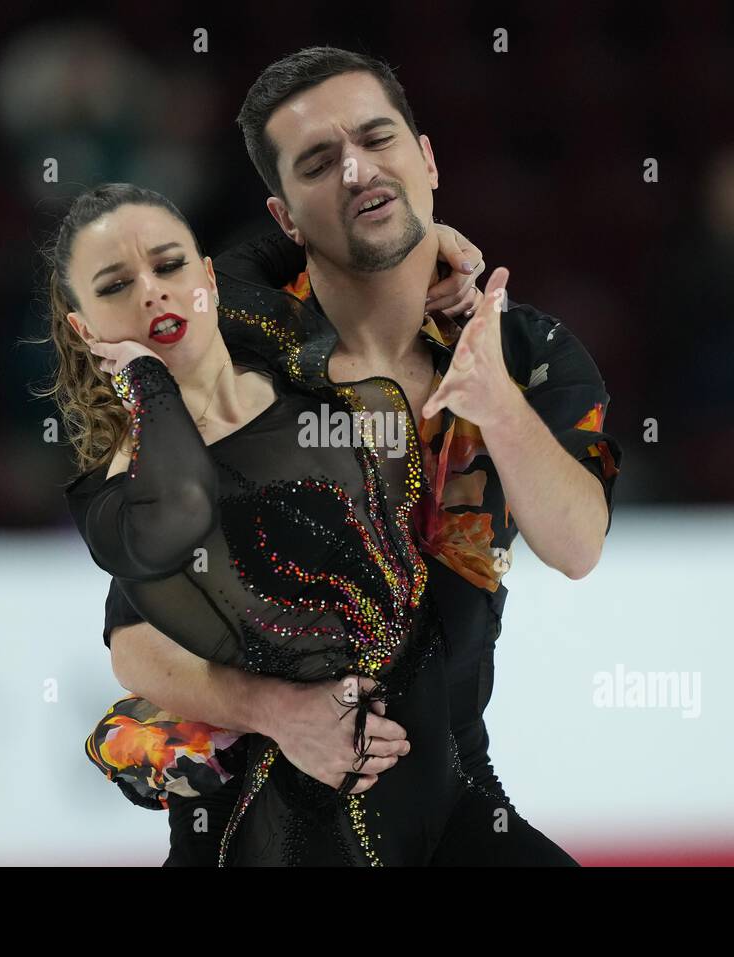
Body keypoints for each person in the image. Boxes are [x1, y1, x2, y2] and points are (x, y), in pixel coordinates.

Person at [93, 46, 621, 866]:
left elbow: (578, 543)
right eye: (318, 161)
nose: (356, 168)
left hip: (447, 802)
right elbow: (136, 640)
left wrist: (496, 404)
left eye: (379, 140)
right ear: (285, 218)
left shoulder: (528, 350)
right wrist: (279, 711)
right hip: (258, 813)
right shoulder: (233, 367)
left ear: (428, 159)